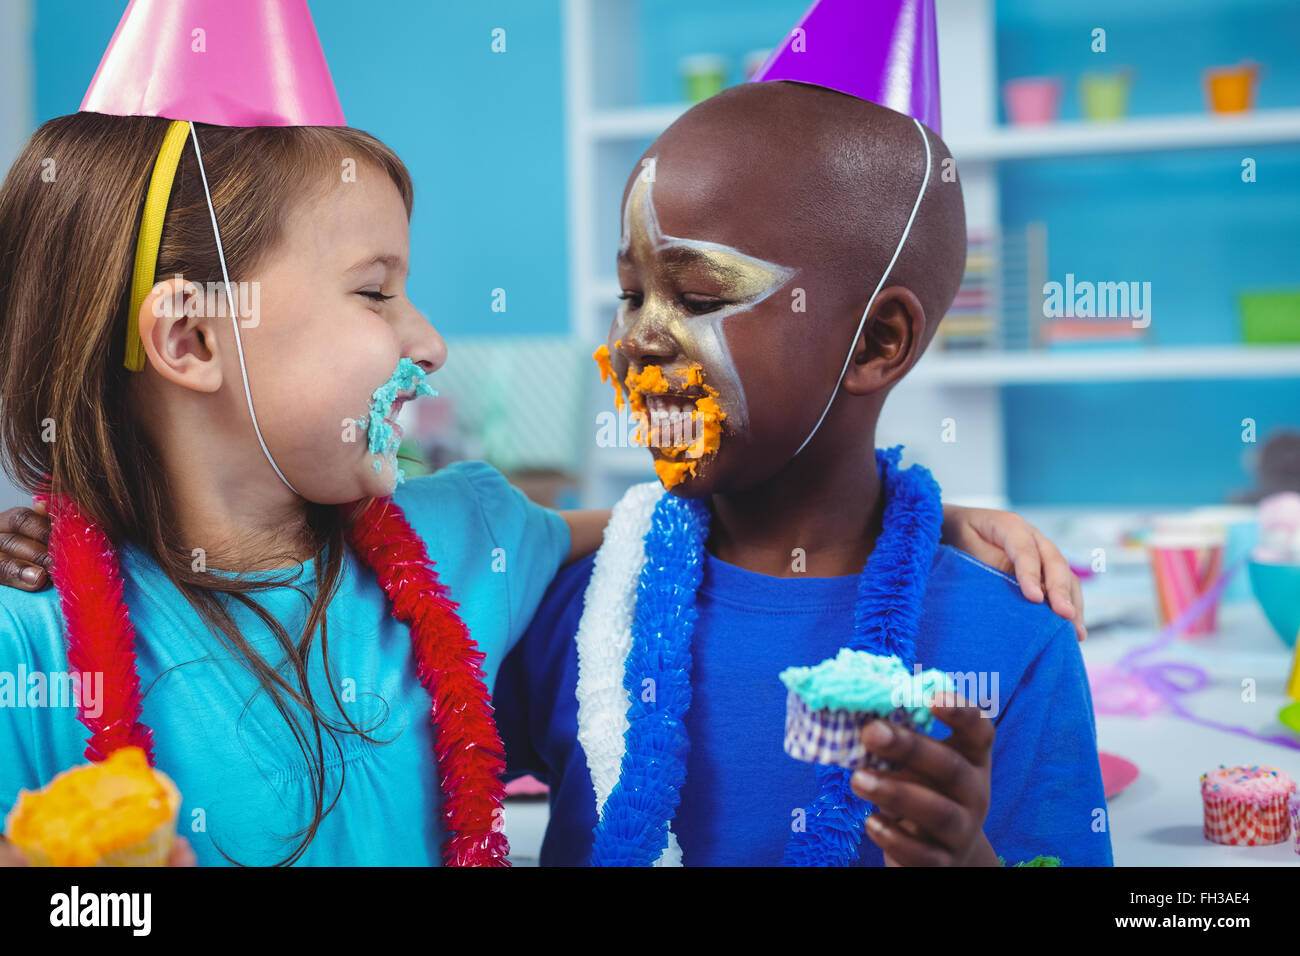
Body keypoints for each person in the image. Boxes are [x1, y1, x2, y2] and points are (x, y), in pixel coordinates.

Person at [0, 0, 1084, 867]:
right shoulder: (33, 640)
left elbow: (673, 525)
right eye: (374, 293)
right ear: (193, 340)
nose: (429, 339)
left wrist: (932, 518)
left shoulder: (465, 540)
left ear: (877, 340)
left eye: (697, 294)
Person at [492, 0, 1112, 866]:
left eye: (700, 298)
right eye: (632, 294)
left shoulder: (1012, 640)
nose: (634, 339)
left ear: (876, 341)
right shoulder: (578, 606)